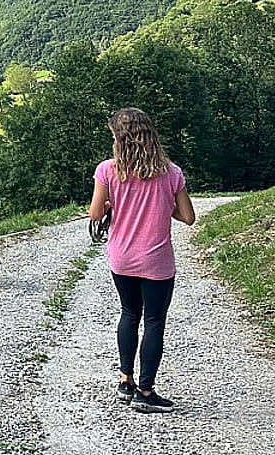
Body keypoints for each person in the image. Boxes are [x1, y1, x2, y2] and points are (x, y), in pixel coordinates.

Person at [89, 107, 196, 413]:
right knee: (153, 322)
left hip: (122, 258)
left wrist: (113, 203)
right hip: (157, 261)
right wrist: (163, 205)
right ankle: (146, 393)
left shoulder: (107, 171)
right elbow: (187, 217)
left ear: (118, 139)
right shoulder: (172, 173)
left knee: (129, 314)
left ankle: (125, 382)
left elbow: (96, 214)